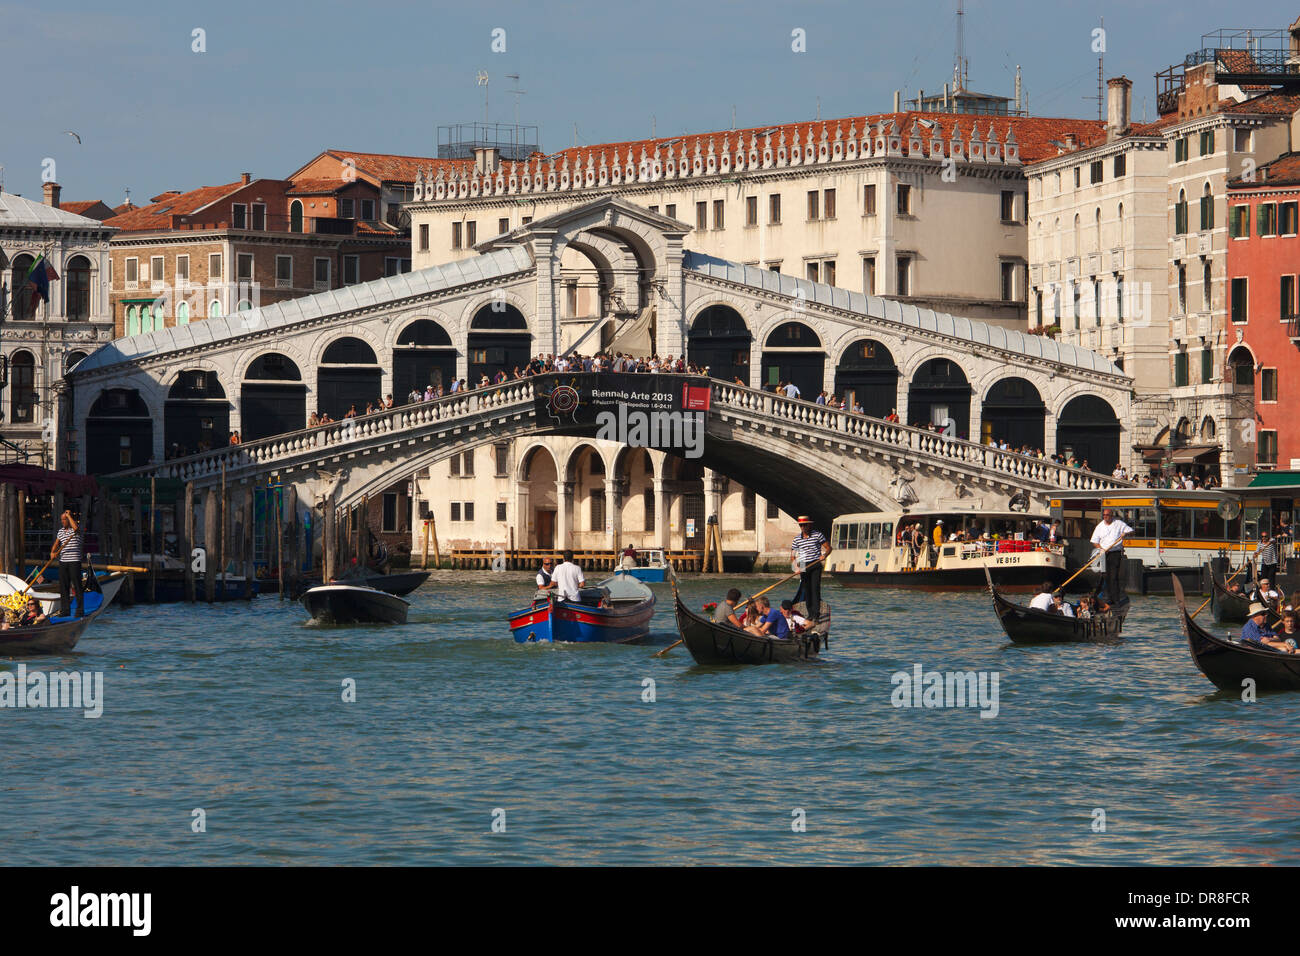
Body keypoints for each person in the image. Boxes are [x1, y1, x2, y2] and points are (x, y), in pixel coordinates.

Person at [1090, 507, 1132, 604]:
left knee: (1113, 576)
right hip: (1103, 553)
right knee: (1105, 576)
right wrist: (1101, 549)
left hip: (1115, 553)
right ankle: (1108, 598)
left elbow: (1131, 531)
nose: (1105, 517)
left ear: (1112, 516)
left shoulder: (1119, 524)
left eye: (1107, 515)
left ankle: (1116, 599)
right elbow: (1094, 541)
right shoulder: (1100, 526)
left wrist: (1125, 534)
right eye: (1104, 515)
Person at [791, 516, 829, 620]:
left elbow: (829, 548)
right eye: (801, 525)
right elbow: (793, 555)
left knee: (815, 589)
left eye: (804, 525)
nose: (802, 527)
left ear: (809, 525)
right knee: (806, 590)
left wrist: (824, 555)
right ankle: (810, 613)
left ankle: (816, 614)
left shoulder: (818, 535)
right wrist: (795, 568)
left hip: (815, 563)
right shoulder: (797, 539)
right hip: (803, 564)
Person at [51, 510, 83, 618]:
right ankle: (65, 610)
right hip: (63, 561)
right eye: (62, 519)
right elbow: (56, 543)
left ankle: (80, 610)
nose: (63, 521)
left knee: (77, 586)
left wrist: (69, 515)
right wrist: (52, 552)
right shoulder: (60, 531)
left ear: (69, 520)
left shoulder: (75, 530)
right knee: (64, 587)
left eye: (64, 519)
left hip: (74, 561)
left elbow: (76, 528)